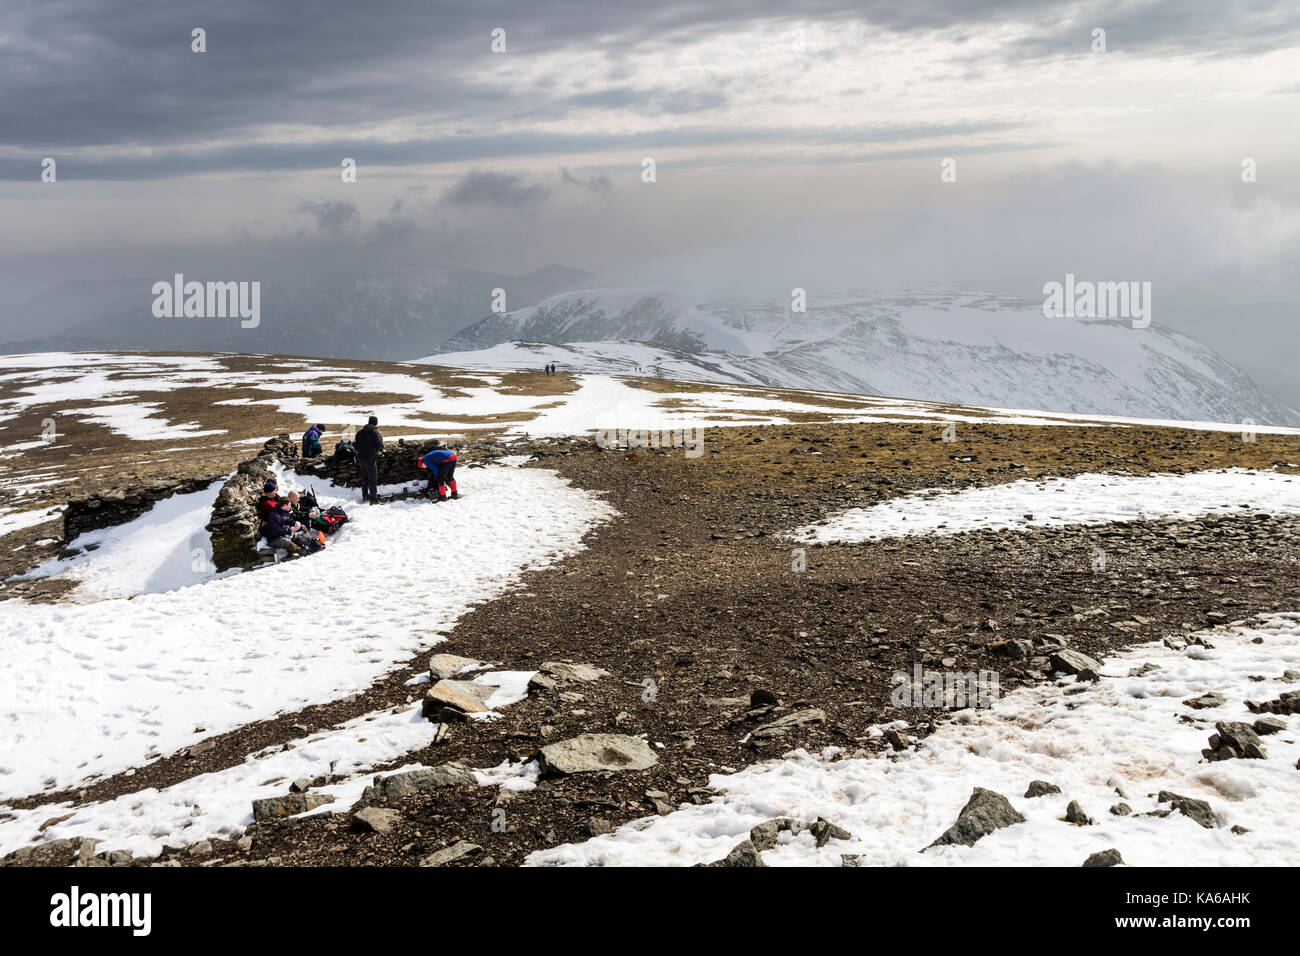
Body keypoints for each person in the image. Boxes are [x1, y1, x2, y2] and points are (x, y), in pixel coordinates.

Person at [354, 415, 383, 505]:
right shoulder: (374, 432)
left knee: (365, 478)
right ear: (376, 423)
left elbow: (355, 445)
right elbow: (380, 444)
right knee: (373, 480)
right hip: (370, 460)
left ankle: (365, 496)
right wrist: (379, 451)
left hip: (361, 459)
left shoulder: (359, 433)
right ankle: (373, 499)